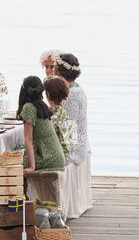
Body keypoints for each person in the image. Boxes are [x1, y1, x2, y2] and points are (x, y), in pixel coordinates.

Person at [56, 52, 92, 215]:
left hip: (74, 144)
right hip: (78, 138)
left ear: (59, 70)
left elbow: (67, 126)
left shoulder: (72, 94)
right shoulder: (75, 89)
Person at [18, 76, 65, 172]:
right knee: (17, 158)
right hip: (57, 156)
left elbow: (28, 139)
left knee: (13, 164)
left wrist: (32, 167)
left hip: (48, 158)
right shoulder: (42, 106)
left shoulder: (28, 107)